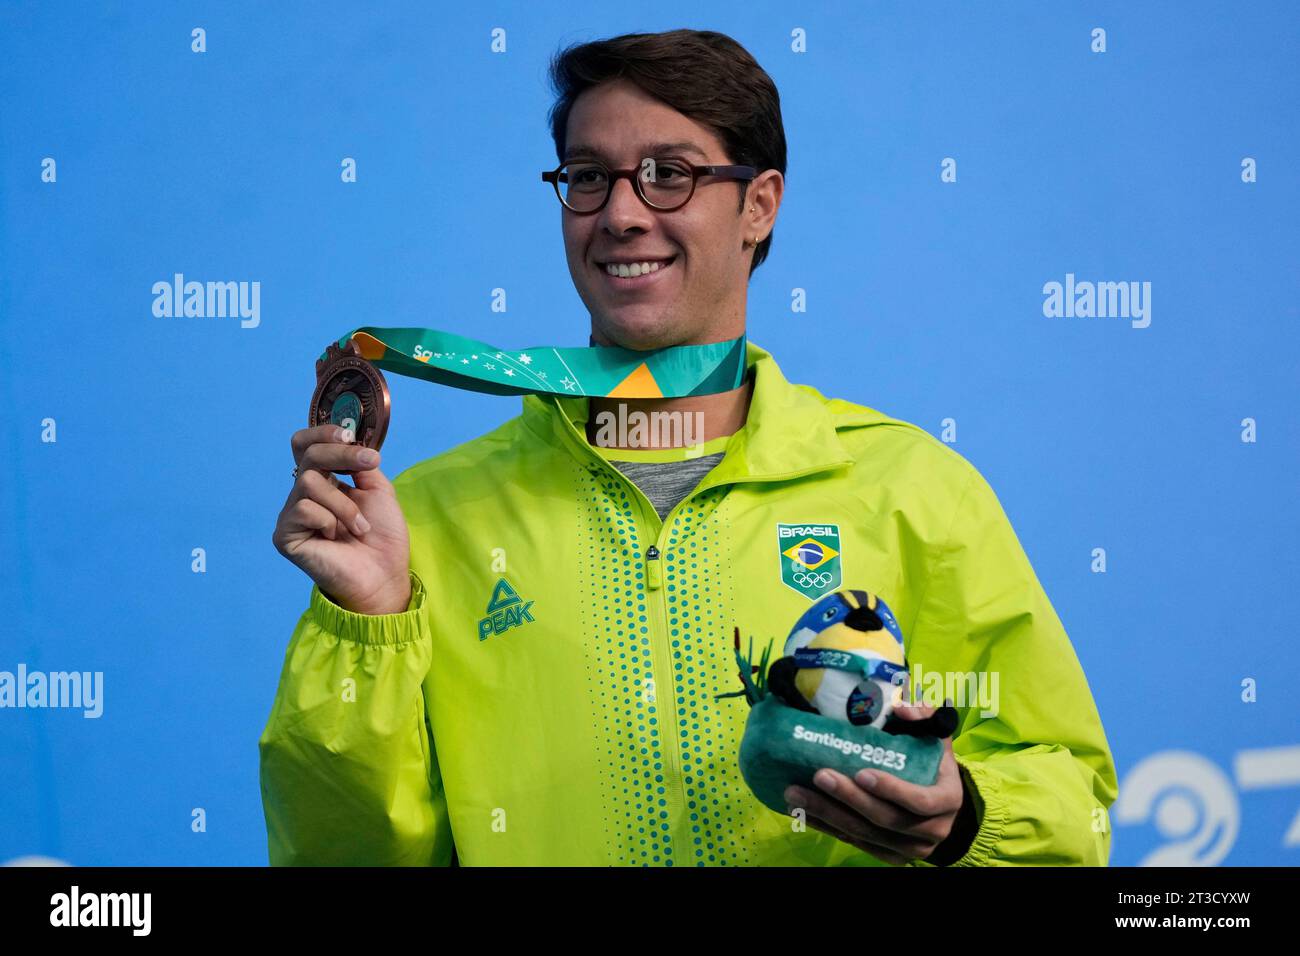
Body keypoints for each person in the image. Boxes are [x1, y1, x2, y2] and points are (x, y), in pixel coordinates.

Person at [261, 28, 1117, 867]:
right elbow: (347, 855)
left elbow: (1071, 801)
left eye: (669, 174)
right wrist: (363, 629)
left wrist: (967, 819)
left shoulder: (912, 491)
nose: (622, 215)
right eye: (590, 178)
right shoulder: (434, 517)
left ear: (759, 205)